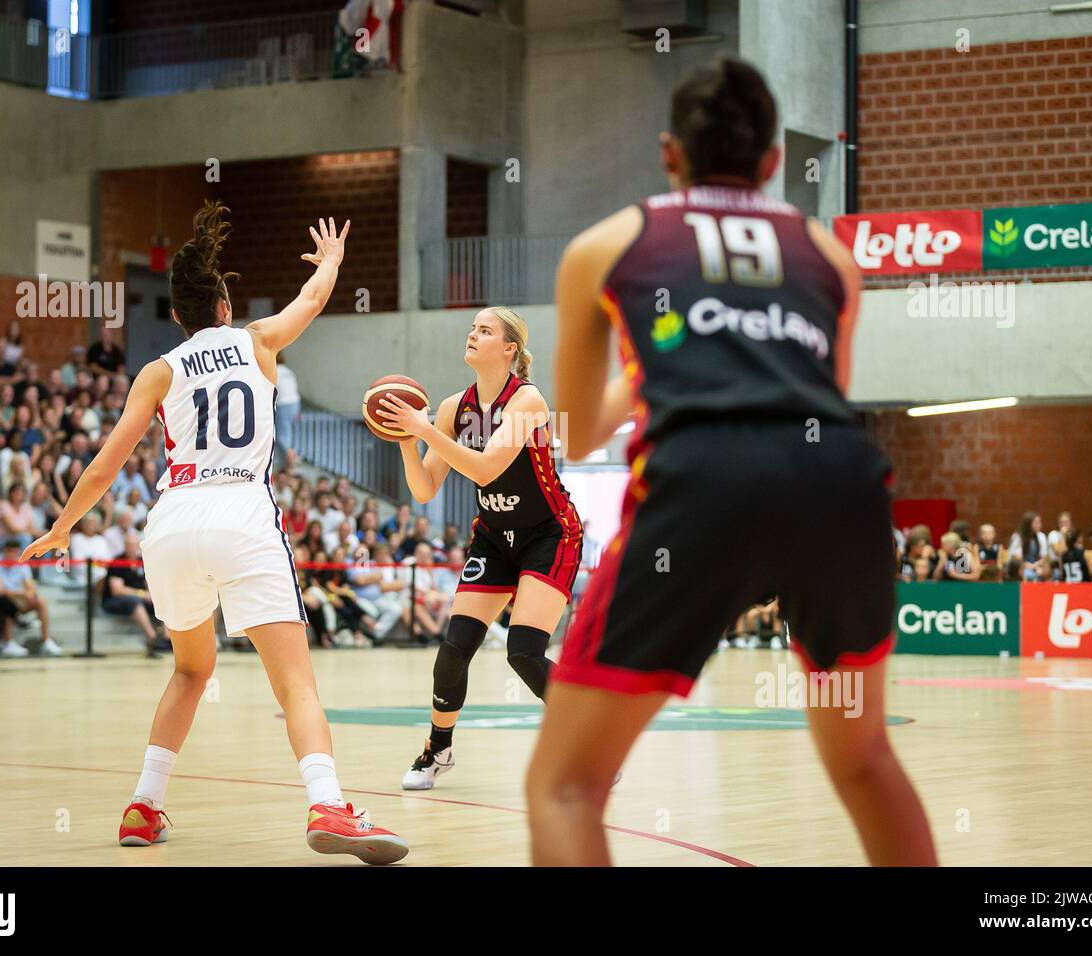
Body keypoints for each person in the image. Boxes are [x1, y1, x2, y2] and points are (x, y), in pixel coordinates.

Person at [525, 58, 935, 866]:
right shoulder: (829, 255)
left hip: (703, 483)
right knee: (864, 758)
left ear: (668, 152)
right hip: (842, 484)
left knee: (564, 788)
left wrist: (654, 369)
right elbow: (814, 395)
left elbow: (573, 436)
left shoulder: (606, 246)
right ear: (773, 162)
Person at [20, 203, 405, 863]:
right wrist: (333, 261)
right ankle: (330, 806)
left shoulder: (159, 371)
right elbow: (311, 298)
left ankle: (144, 804)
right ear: (225, 307)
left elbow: (107, 464)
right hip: (240, 510)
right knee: (296, 686)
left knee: (191, 670)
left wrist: (61, 527)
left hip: (171, 523)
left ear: (177, 317)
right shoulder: (259, 340)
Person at [377, 306, 582, 790]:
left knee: (524, 653)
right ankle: (437, 749)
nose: (472, 334)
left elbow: (488, 468)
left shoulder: (527, 400)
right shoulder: (453, 408)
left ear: (509, 349)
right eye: (472, 328)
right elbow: (425, 489)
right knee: (453, 650)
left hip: (549, 535)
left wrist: (424, 429)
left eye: (485, 330)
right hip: (493, 537)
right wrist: (408, 440)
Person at [0, 539, 58, 656]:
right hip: (1, 599)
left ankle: (47, 641)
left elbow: (30, 586)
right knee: (7, 603)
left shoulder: (22, 561)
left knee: (40, 601)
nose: (14, 556)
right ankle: (8, 641)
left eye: (16, 553)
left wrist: (30, 593)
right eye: (11, 553)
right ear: (4, 552)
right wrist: (22, 594)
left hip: (17, 596)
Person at [102, 532, 168, 658]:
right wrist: (142, 594)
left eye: (134, 544)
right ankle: (153, 639)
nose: (132, 547)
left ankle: (167, 638)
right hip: (115, 600)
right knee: (134, 601)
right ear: (124, 545)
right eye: (129, 544)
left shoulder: (141, 561)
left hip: (139, 597)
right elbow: (117, 590)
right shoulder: (117, 562)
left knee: (162, 600)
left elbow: (148, 582)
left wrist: (153, 595)